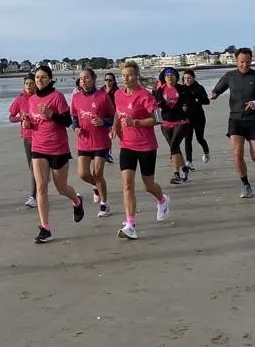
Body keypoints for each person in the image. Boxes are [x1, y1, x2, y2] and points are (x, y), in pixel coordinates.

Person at [27, 64, 84, 244]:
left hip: (58, 148)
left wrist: (51, 113)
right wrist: (27, 123)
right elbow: (34, 122)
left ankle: (77, 201)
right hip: (38, 147)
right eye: (37, 77)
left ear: (50, 79)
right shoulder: (32, 99)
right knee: (41, 187)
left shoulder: (57, 97)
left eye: (43, 77)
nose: (40, 80)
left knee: (61, 188)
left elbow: (67, 121)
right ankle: (45, 228)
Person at [112, 61, 170, 239]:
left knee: (148, 185)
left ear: (137, 76)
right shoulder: (118, 94)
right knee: (127, 184)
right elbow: (118, 112)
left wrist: (135, 123)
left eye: (129, 75)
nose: (126, 78)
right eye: (123, 75)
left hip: (146, 145)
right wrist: (115, 128)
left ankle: (162, 199)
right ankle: (130, 224)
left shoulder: (145, 96)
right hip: (127, 145)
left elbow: (158, 119)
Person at [210, 48, 255, 198]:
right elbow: (217, 90)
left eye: (247, 61)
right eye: (242, 62)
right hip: (235, 120)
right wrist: (214, 95)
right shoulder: (230, 76)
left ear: (251, 60)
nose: (245, 65)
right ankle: (246, 185)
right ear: (236, 61)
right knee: (237, 153)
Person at [71, 67, 115, 217]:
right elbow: (74, 117)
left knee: (98, 173)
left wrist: (103, 122)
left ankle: (104, 205)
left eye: (87, 78)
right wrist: (76, 127)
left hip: (101, 141)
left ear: (94, 79)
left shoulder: (103, 97)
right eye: (82, 78)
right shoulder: (76, 98)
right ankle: (97, 187)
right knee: (83, 174)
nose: (84, 81)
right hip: (84, 141)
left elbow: (113, 117)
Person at [154, 68, 194, 185]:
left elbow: (190, 103)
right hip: (166, 122)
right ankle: (185, 169)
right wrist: (157, 120)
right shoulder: (160, 90)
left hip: (181, 122)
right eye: (167, 76)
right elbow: (154, 106)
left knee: (174, 145)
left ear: (176, 77)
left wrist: (186, 111)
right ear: (164, 78)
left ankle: (176, 174)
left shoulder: (183, 89)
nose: (170, 77)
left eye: (172, 75)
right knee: (174, 147)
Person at [8, 74, 39, 208]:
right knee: (32, 168)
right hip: (27, 137)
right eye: (27, 83)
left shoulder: (40, 98)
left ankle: (33, 196)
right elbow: (11, 117)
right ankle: (39, 189)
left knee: (35, 168)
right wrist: (21, 119)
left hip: (40, 136)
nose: (29, 86)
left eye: (31, 83)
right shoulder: (19, 100)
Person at [180, 68, 211, 167]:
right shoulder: (182, 89)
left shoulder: (199, 88)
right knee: (187, 139)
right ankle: (189, 161)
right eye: (185, 78)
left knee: (199, 138)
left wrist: (198, 99)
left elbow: (207, 101)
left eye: (189, 78)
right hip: (187, 118)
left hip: (199, 117)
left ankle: (206, 152)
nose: (187, 80)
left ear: (193, 78)